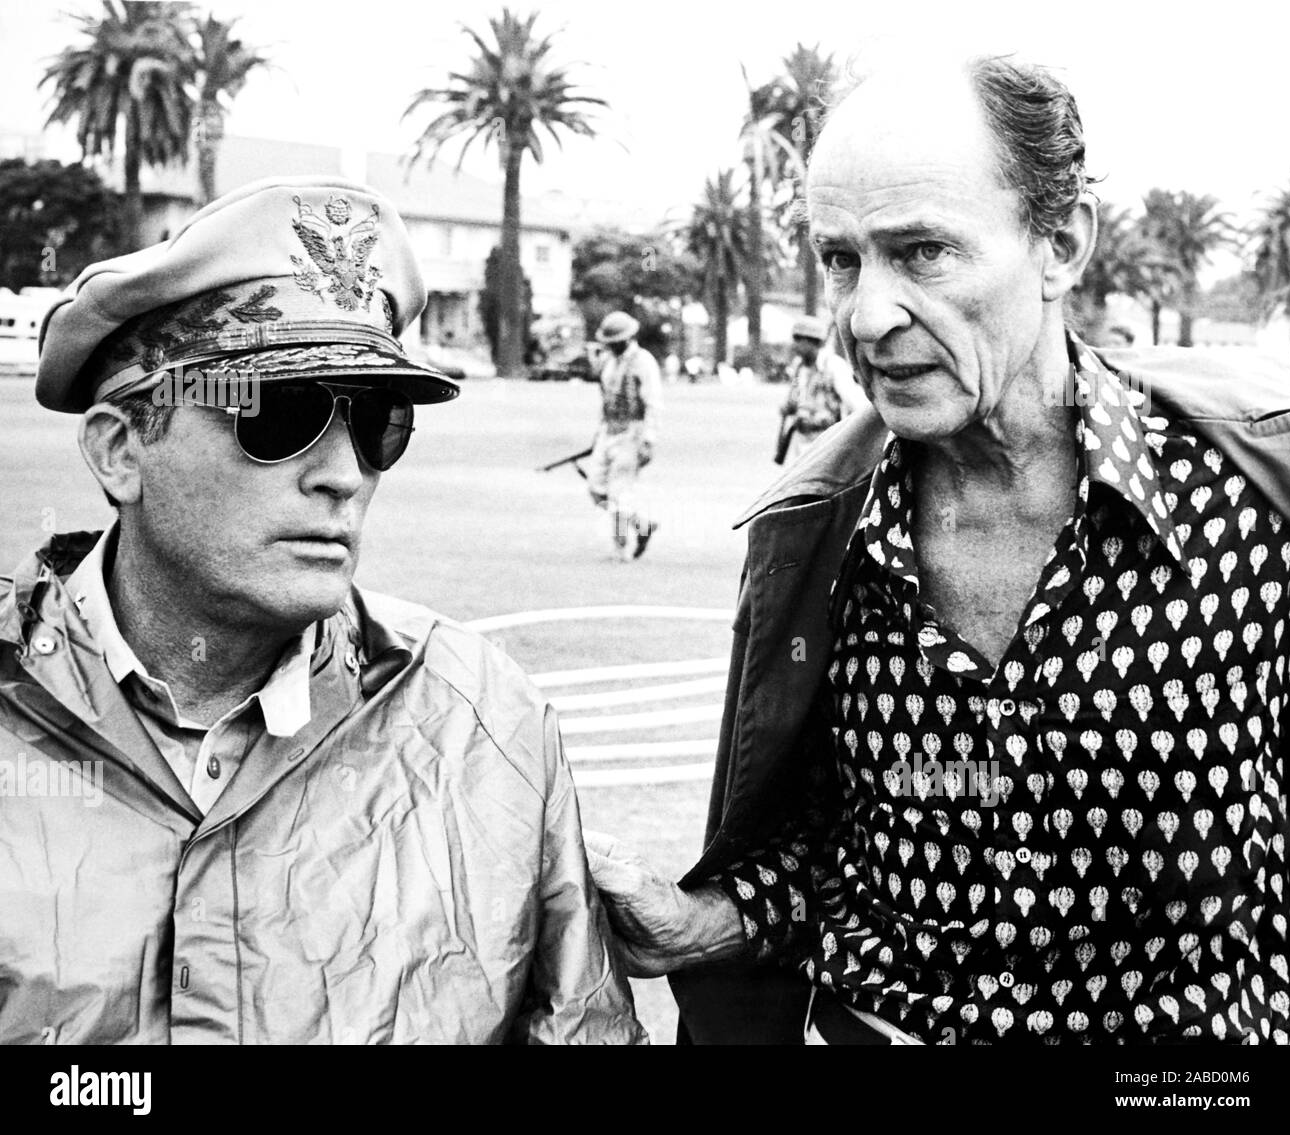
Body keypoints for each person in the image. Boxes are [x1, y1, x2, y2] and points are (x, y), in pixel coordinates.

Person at [588, 55, 1290, 1045]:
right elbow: (832, 840)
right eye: (840, 258)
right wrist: (711, 915)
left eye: (920, 251)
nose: (865, 316)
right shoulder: (815, 537)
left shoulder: (1254, 507)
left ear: (1061, 244)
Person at [0, 176, 645, 1045]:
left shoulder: (485, 723)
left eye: (378, 421)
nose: (343, 474)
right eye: (281, 413)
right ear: (121, 449)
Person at [588, 310, 663, 561]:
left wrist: (649, 440)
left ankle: (620, 549)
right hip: (608, 431)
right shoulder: (609, 362)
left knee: (620, 495)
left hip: (632, 433)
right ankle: (642, 526)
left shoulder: (643, 361)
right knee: (596, 489)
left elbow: (653, 403)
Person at [775, 315, 869, 464]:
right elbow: (795, 400)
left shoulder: (833, 366)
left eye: (800, 340)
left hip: (827, 440)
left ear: (814, 342)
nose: (795, 345)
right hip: (801, 441)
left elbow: (856, 403)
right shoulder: (799, 367)